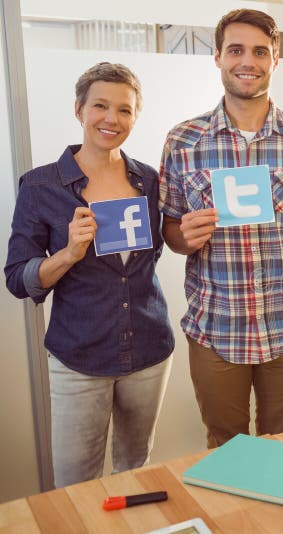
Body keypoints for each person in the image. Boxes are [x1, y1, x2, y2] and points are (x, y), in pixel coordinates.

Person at [159, 9, 283, 447]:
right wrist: (186, 235)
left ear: (275, 61)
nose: (247, 61)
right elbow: (171, 232)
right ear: (217, 57)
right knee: (224, 445)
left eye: (260, 52)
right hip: (215, 329)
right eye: (236, 50)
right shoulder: (184, 140)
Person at [4, 62, 174, 487]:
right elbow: (17, 278)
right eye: (100, 105)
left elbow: (154, 254)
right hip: (78, 356)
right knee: (75, 482)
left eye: (125, 110)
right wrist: (68, 254)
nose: (111, 119)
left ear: (135, 117)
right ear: (79, 110)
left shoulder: (150, 181)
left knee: (137, 469)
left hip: (149, 351)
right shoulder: (40, 186)